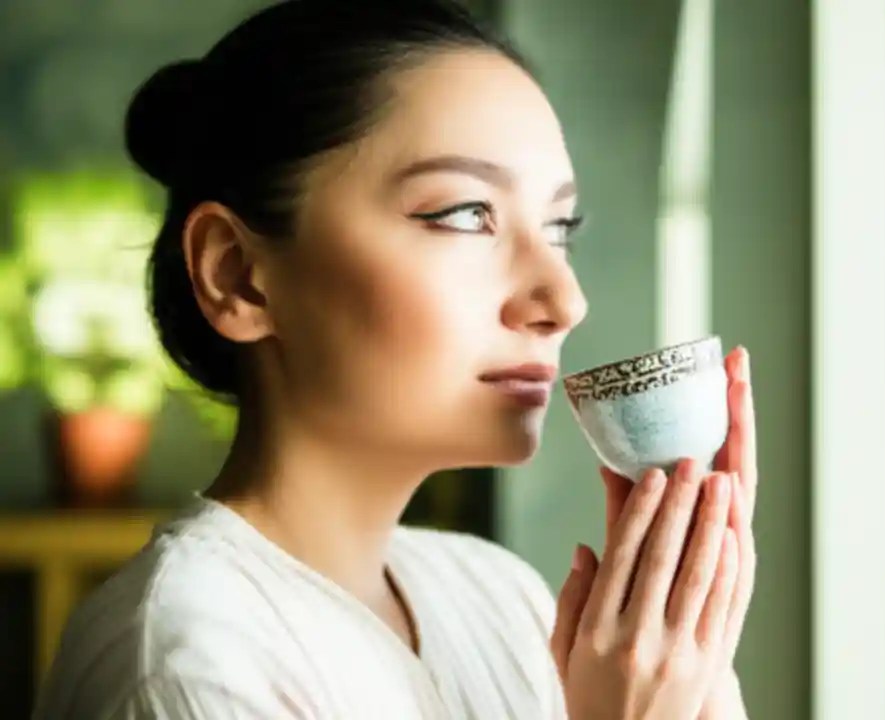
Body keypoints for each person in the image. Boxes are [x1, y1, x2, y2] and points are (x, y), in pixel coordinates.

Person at [33, 1, 758, 718]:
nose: (562, 300)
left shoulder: (501, 599)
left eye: (558, 228)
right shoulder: (185, 665)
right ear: (238, 275)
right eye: (466, 214)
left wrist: (696, 679)